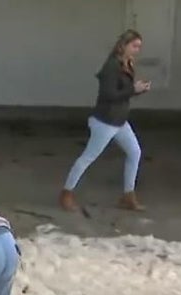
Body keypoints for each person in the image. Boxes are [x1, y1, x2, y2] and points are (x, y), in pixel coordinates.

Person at [60, 29, 151, 213]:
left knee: (135, 152)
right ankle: (66, 193)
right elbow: (109, 94)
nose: (137, 50)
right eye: (134, 46)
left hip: (120, 120)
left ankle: (128, 196)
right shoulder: (112, 66)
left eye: (139, 47)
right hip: (106, 121)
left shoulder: (127, 64)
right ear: (124, 45)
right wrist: (133, 90)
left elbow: (123, 93)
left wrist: (138, 90)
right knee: (88, 157)